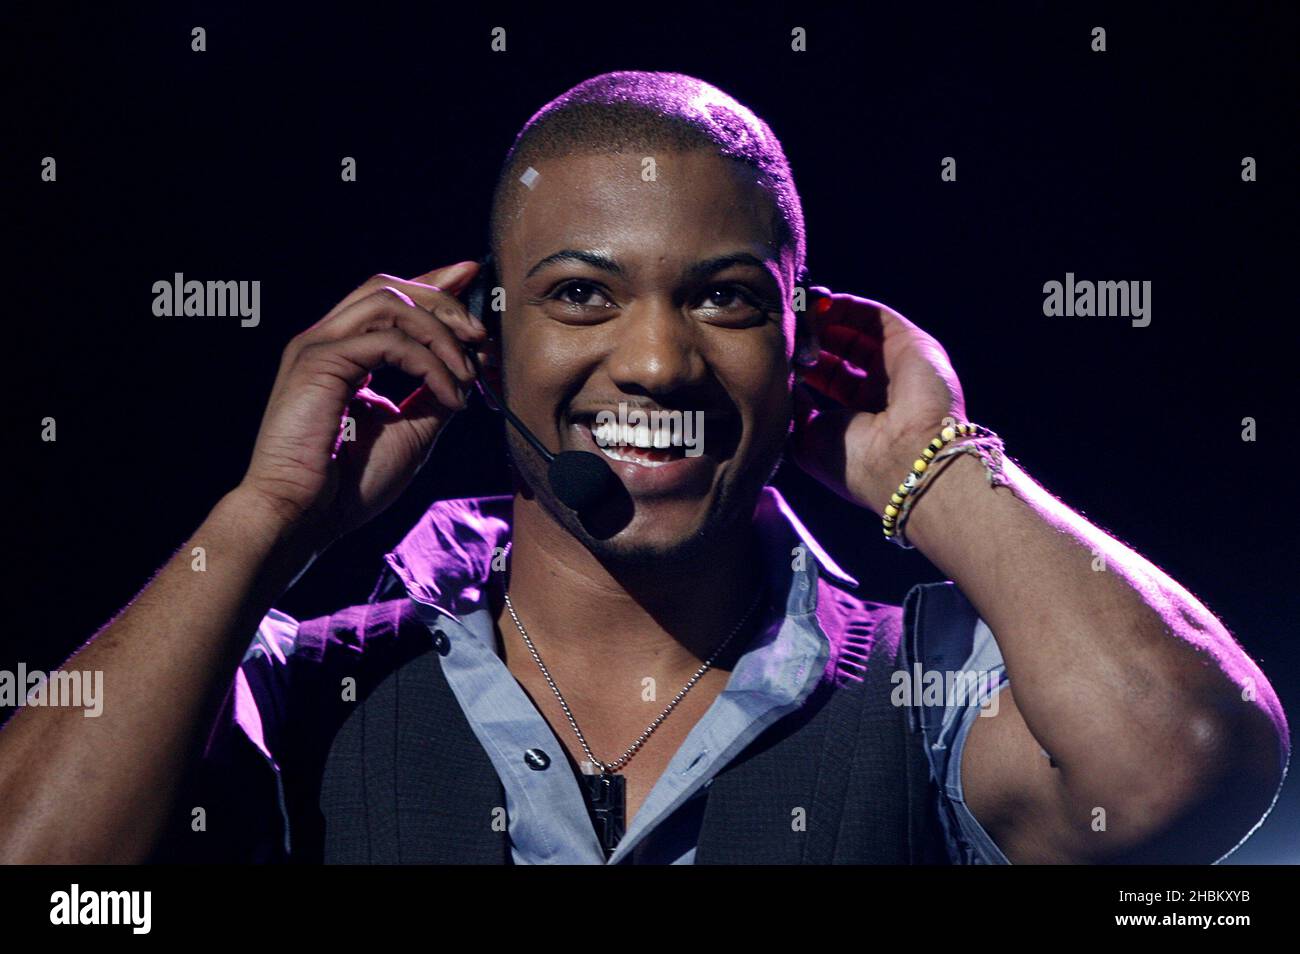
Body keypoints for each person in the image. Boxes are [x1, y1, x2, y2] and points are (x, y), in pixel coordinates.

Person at [0, 71, 1288, 865]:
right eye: (581, 295)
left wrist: (938, 465)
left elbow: (1188, 758)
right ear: (485, 335)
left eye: (725, 299)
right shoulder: (309, 681)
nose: (660, 363)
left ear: (807, 345)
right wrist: (271, 515)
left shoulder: (928, 691)